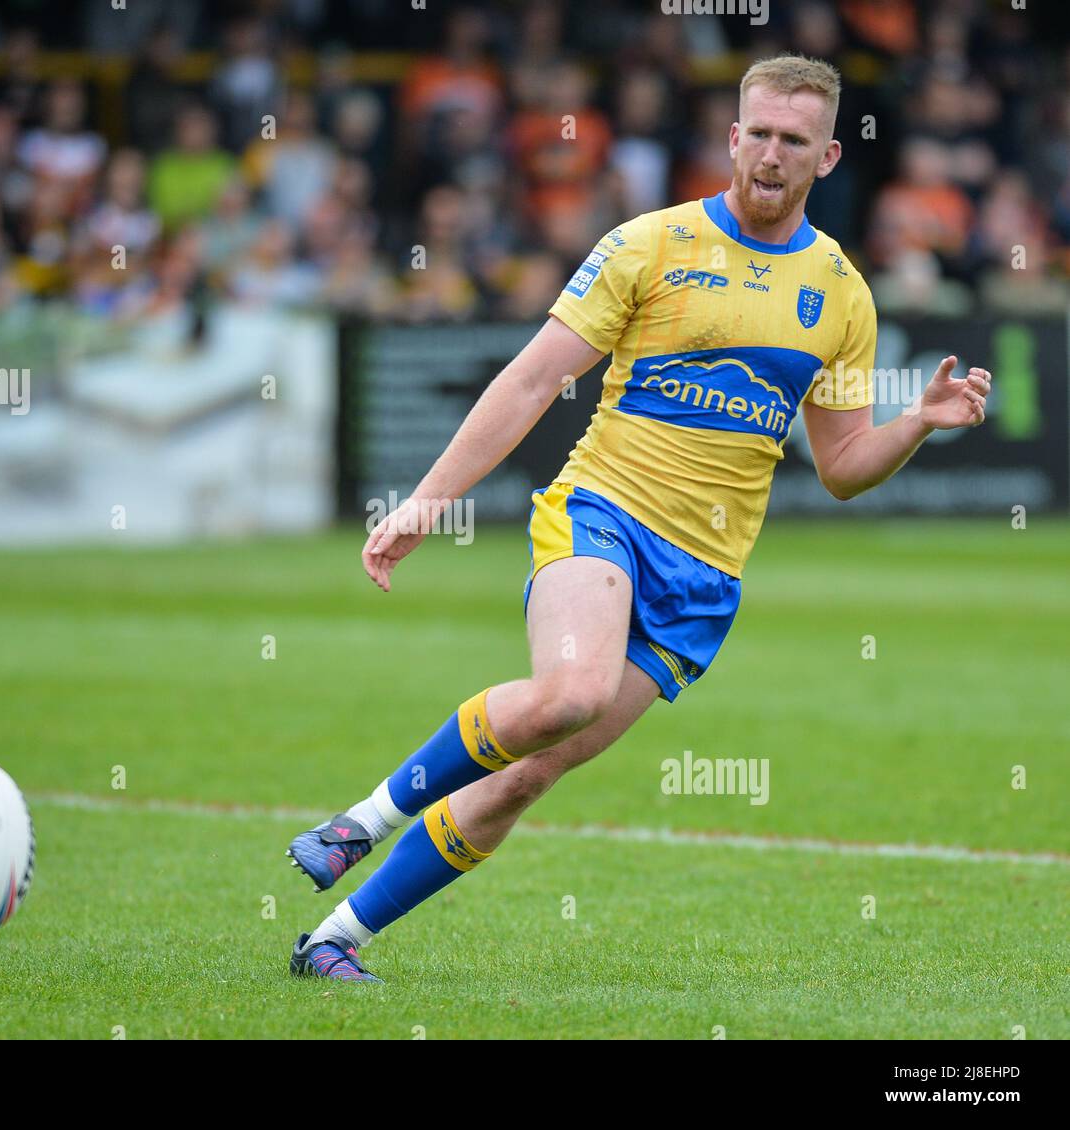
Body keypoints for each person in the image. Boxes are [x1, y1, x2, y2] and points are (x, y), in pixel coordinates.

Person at [286, 55, 993, 982]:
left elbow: (843, 470)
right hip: (602, 515)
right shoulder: (647, 244)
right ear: (733, 139)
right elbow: (535, 376)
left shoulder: (842, 294)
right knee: (569, 692)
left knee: (530, 774)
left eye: (796, 140)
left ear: (827, 158)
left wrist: (915, 424)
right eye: (760, 135)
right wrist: (429, 501)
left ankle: (334, 940)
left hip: (704, 581)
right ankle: (360, 823)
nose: (772, 155)